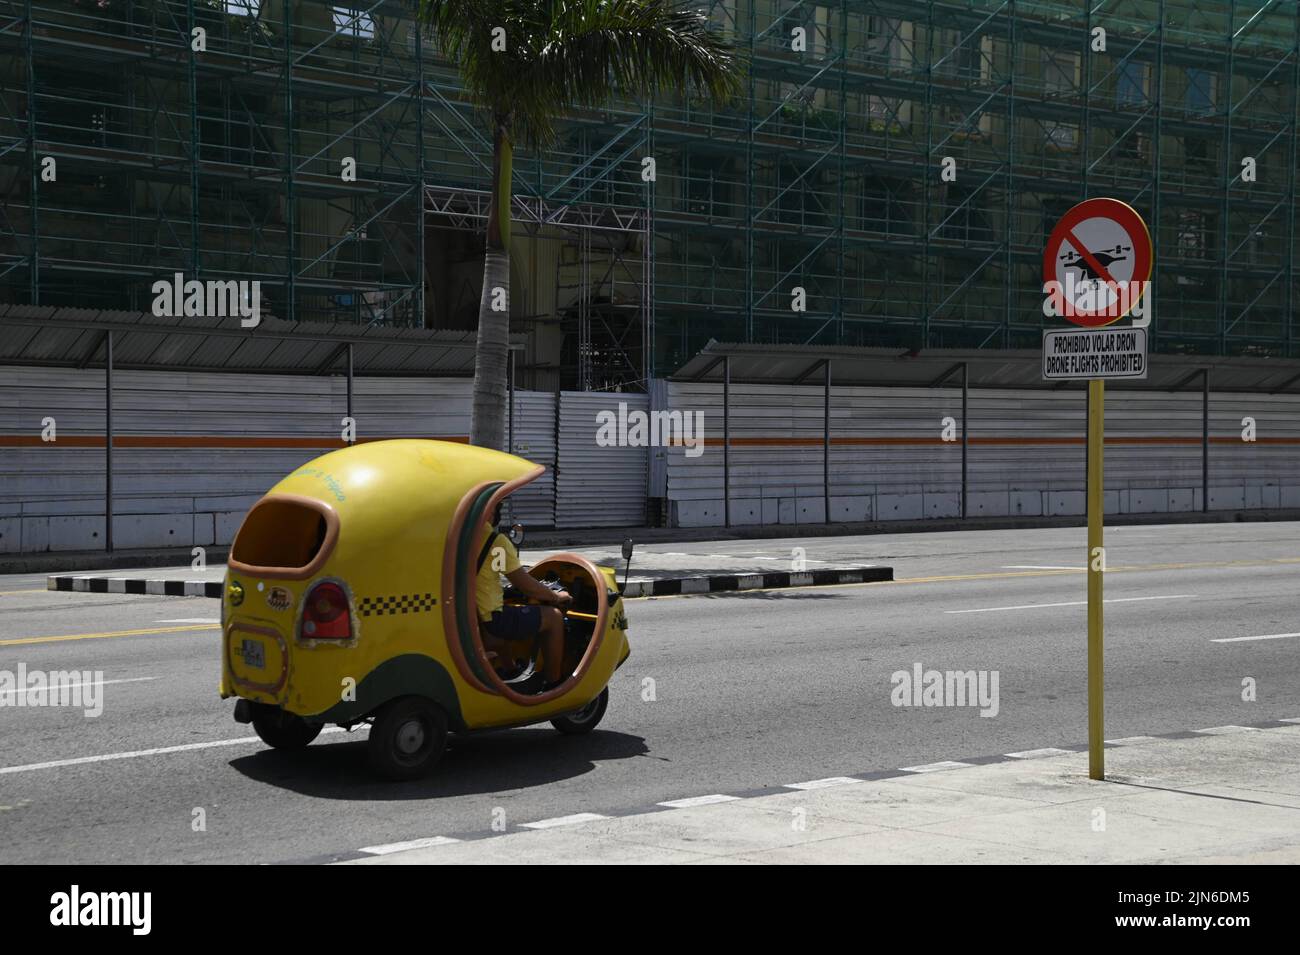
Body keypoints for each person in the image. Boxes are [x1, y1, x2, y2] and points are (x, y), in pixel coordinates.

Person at [475, 506, 572, 688]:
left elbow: (490, 574)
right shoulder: (495, 542)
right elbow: (527, 587)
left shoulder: (462, 540)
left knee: (508, 605)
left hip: (475, 616)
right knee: (554, 617)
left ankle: (510, 669)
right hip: (491, 619)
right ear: (491, 513)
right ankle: (554, 684)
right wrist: (556, 597)